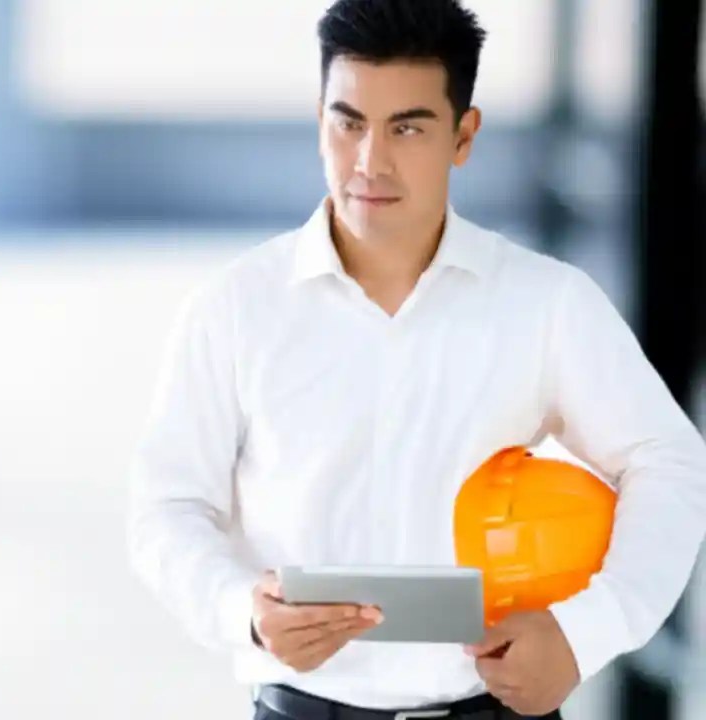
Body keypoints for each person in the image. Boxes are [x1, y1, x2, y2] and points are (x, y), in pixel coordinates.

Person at [126, 1, 706, 718]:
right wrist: (240, 608)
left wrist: (584, 636)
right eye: (348, 122)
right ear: (319, 121)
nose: (370, 161)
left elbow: (671, 461)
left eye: (408, 127)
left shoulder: (547, 303)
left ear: (463, 136)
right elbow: (166, 507)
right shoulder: (237, 308)